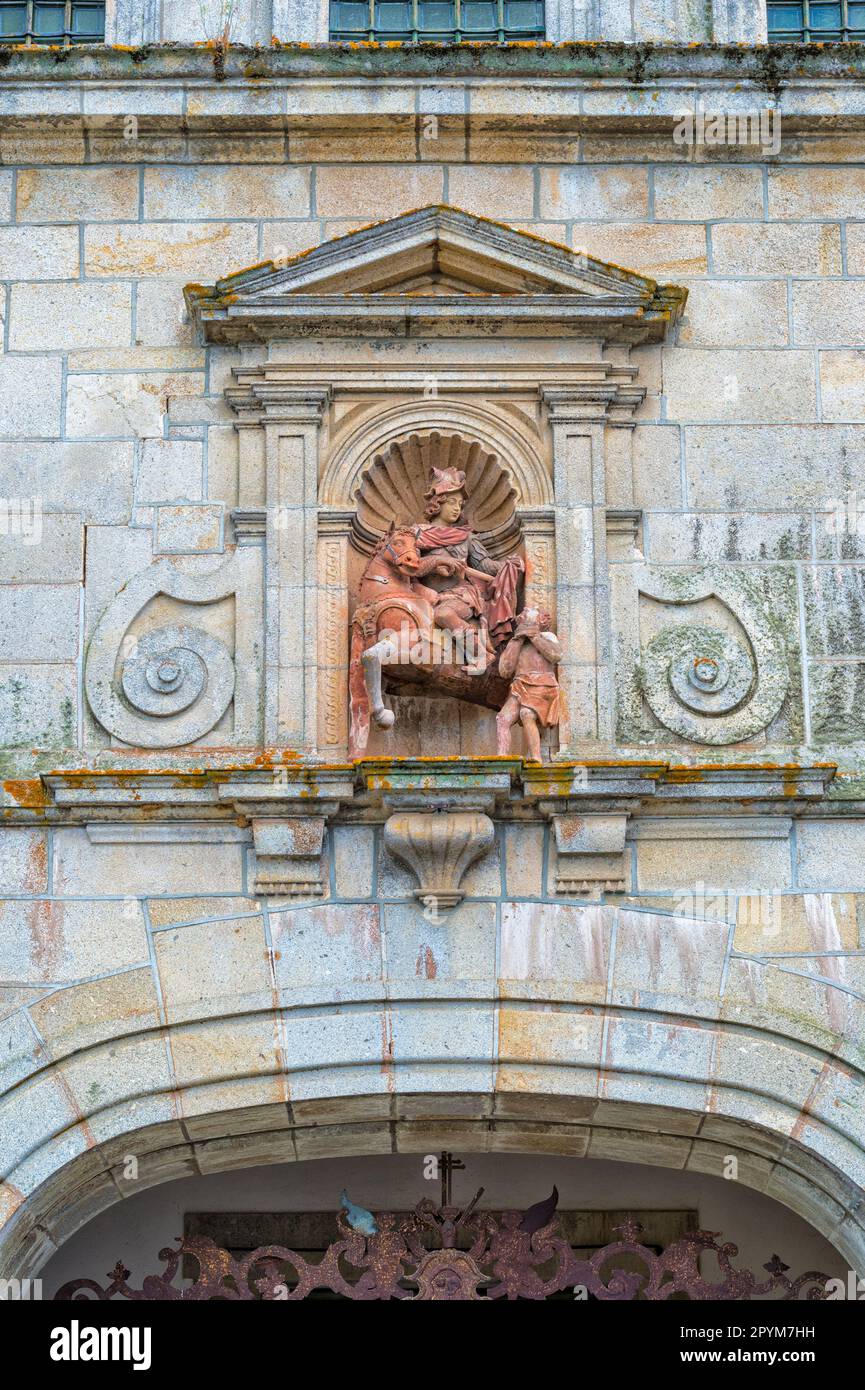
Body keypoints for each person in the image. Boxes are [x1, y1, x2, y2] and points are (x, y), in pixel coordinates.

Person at [413, 467, 524, 657]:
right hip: (422, 596)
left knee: (443, 615)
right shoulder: (416, 534)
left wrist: (507, 564)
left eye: (460, 503)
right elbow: (410, 567)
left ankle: (481, 655)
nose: (457, 508)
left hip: (458, 595)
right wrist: (434, 561)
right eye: (451, 502)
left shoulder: (466, 537)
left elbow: (484, 565)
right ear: (438, 503)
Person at [495, 608, 563, 762]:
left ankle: (536, 758)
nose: (523, 613)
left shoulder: (547, 636)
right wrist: (517, 639)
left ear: (539, 620)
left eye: (529, 612)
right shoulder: (517, 642)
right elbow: (505, 671)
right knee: (502, 719)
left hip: (541, 685)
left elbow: (556, 655)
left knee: (526, 714)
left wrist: (533, 635)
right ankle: (501, 758)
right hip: (520, 686)